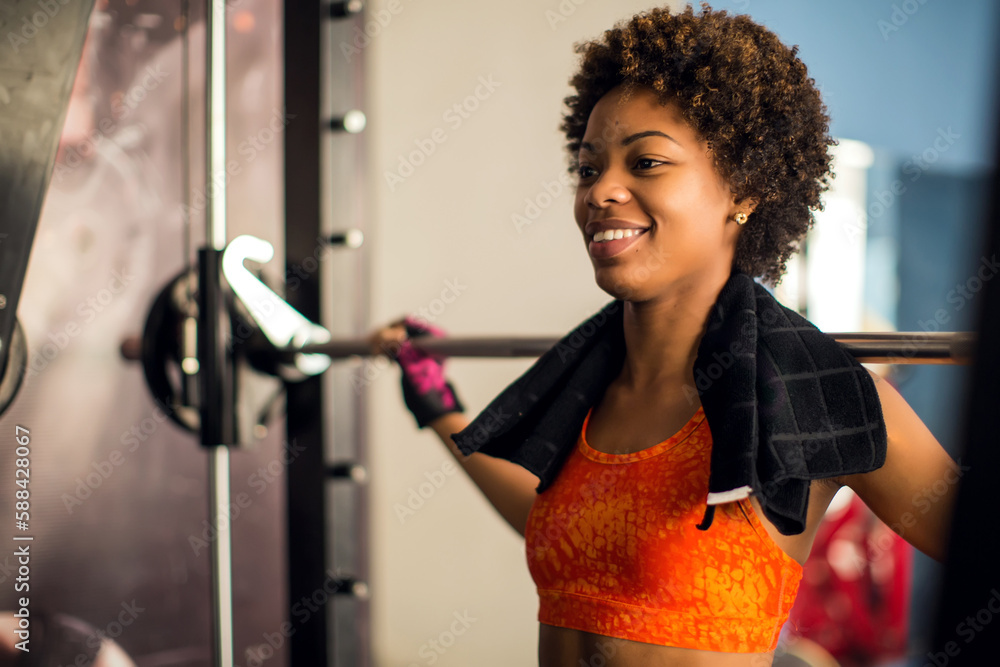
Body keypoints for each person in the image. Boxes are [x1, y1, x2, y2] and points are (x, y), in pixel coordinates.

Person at [367, 3, 961, 665]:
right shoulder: (586, 385)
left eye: (646, 162)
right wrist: (439, 406)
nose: (600, 193)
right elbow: (570, 534)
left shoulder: (816, 393)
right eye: (589, 168)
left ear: (745, 188)